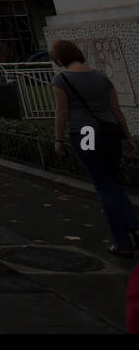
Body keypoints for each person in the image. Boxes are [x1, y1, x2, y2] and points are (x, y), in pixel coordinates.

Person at [51, 39, 139, 257]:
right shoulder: (101, 76)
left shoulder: (61, 79)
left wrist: (58, 139)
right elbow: (116, 110)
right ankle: (134, 225)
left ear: (60, 58)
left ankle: (122, 242)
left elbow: (62, 112)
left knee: (103, 184)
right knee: (112, 180)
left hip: (86, 134)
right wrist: (127, 137)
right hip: (110, 134)